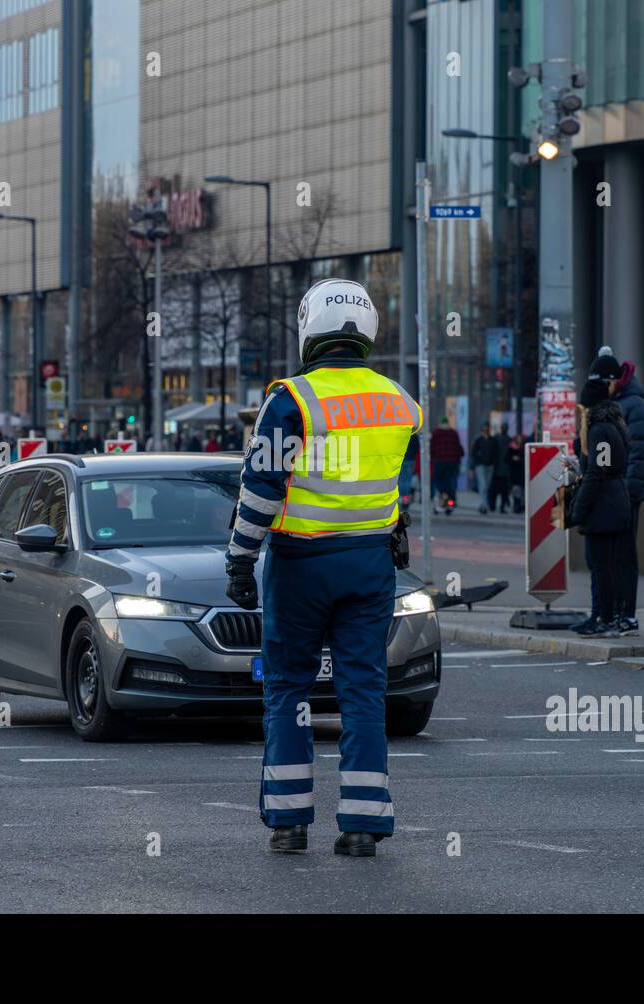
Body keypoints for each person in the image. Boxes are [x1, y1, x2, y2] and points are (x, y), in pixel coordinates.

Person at [224, 277, 421, 857]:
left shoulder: (292, 400)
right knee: (364, 690)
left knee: (288, 688)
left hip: (301, 563)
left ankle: (289, 822)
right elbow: (382, 480)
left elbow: (260, 488)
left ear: (310, 328)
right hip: (369, 564)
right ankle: (363, 826)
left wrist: (240, 560)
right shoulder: (399, 401)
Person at [589, 350, 644, 632]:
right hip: (614, 490)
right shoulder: (614, 402)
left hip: (626, 492)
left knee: (623, 553)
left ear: (614, 380)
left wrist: (628, 492)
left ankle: (626, 612)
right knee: (611, 554)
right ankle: (612, 610)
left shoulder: (633, 405)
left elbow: (641, 452)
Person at [568, 377, 634, 636]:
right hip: (615, 501)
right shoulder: (615, 424)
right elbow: (601, 463)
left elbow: (598, 470)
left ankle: (603, 618)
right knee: (607, 565)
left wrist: (579, 509)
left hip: (603, 505)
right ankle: (605, 615)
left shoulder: (598, 430)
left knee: (600, 566)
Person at [429, 416, 463, 514]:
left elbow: (432, 448)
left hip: (440, 461)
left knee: (437, 480)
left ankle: (443, 495)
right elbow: (458, 448)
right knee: (450, 481)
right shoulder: (453, 433)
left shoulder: (436, 433)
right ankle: (450, 500)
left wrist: (431, 459)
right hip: (452, 462)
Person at [470, 422, 497, 513]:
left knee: (487, 486)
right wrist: (472, 466)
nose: (485, 430)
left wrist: (493, 463)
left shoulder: (492, 440)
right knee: (483, 485)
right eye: (484, 428)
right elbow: (473, 453)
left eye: (487, 428)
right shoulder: (478, 440)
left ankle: (484, 504)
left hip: (490, 465)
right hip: (480, 465)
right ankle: (483, 505)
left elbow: (495, 453)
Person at [490, 424, 512, 512]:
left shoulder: (500, 439)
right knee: (500, 490)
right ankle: (497, 506)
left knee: (499, 490)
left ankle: (496, 506)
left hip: (501, 469)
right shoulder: (505, 439)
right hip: (499, 468)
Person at [506, 432, 526, 514]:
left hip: (522, 473)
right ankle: (516, 505)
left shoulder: (524, 447)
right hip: (515, 473)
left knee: (522, 491)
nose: (519, 440)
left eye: (520, 438)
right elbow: (506, 458)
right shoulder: (511, 447)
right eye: (518, 438)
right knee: (516, 490)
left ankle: (521, 505)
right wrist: (512, 458)